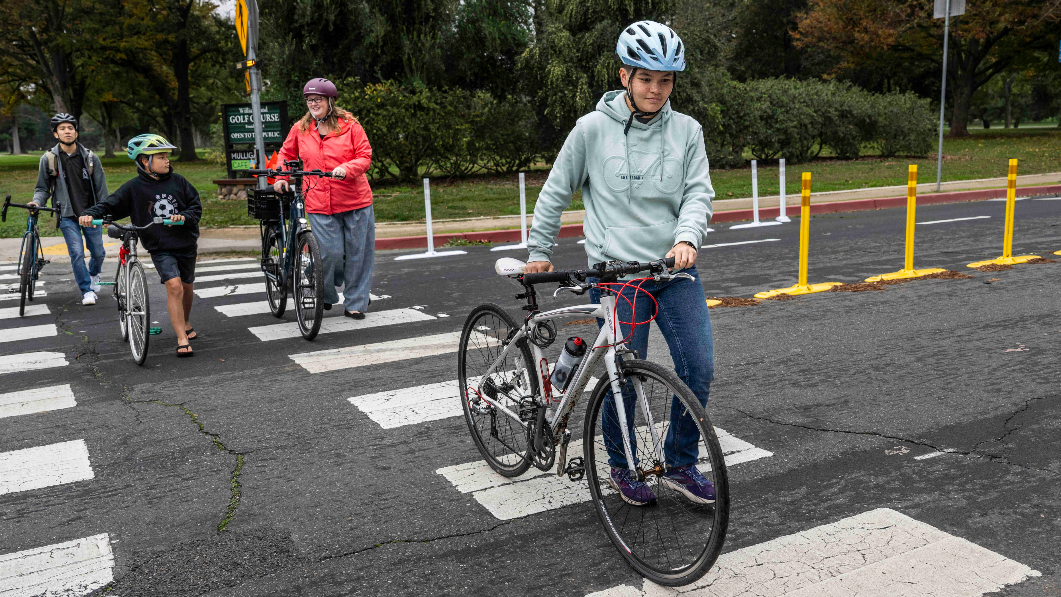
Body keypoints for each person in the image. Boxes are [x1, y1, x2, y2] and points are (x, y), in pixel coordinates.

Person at [525, 21, 716, 506]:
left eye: (666, 80)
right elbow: (555, 190)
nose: (656, 89)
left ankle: (679, 462)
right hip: (616, 276)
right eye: (646, 78)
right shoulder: (591, 130)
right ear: (624, 75)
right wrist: (539, 251)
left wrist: (688, 237)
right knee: (622, 378)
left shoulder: (687, 131)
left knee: (698, 366)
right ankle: (621, 465)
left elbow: (698, 194)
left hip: (672, 270)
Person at [80, 134, 202, 358]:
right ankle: (181, 338)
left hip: (185, 242)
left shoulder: (180, 182)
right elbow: (110, 204)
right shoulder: (134, 188)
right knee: (174, 286)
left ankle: (185, 321)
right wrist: (90, 214)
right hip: (159, 245)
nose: (167, 161)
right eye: (161, 157)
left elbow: (196, 207)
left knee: (186, 286)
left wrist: (183, 216)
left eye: (167, 157)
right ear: (145, 161)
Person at [273, 77, 375, 319]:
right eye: (309, 100)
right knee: (328, 253)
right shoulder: (300, 128)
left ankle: (356, 303)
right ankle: (326, 293)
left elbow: (364, 156)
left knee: (358, 255)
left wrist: (347, 168)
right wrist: (281, 177)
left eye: (318, 99)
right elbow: (286, 153)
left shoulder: (350, 126)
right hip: (319, 201)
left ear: (330, 101)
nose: (313, 103)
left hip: (355, 200)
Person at [30, 113, 109, 306]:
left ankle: (93, 274)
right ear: (56, 134)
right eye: (62, 129)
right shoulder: (48, 159)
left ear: (76, 132)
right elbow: (42, 188)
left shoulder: (90, 158)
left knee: (98, 253)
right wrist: (36, 201)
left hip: (91, 215)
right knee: (76, 253)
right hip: (66, 215)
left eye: (70, 128)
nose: (67, 131)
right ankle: (86, 290)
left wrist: (105, 213)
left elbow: (101, 189)